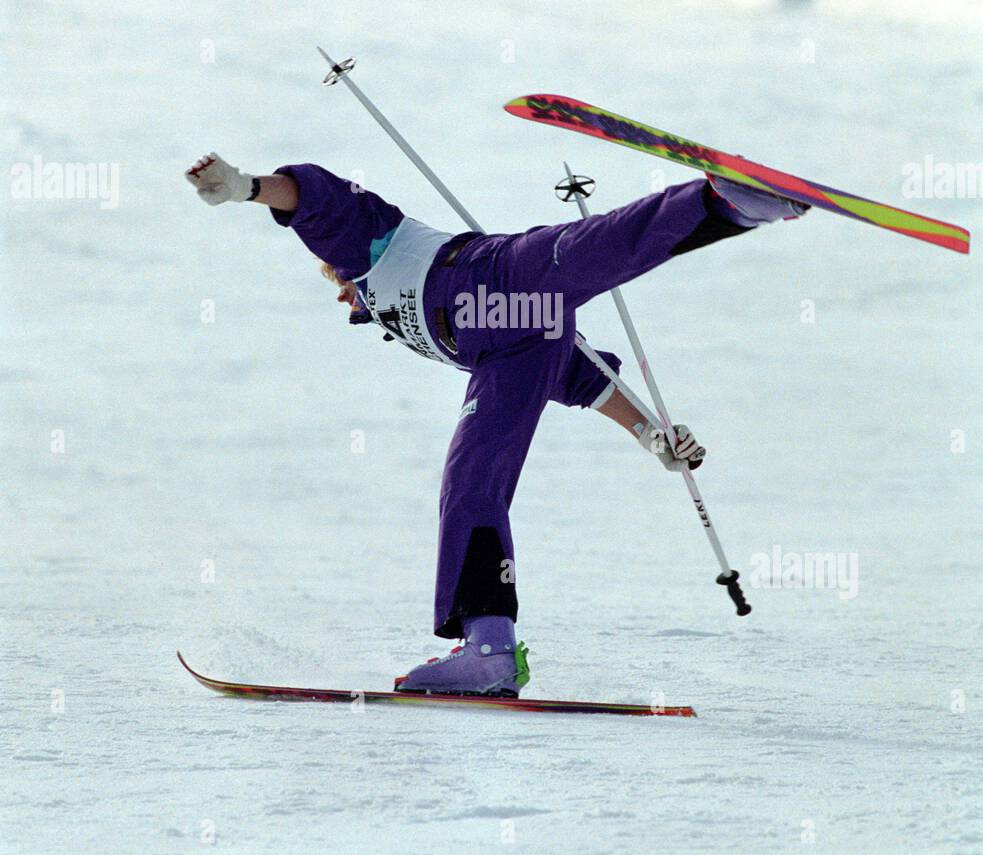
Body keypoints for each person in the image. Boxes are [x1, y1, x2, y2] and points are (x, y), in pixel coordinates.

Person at [185, 150, 807, 696]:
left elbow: (313, 195)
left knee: (590, 250)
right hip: (510, 350)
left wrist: (243, 187)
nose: (342, 295)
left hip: (489, 276)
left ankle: (727, 202)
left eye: (337, 284)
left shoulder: (363, 249)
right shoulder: (397, 322)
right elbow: (578, 374)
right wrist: (650, 434)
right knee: (470, 483)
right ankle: (488, 651)